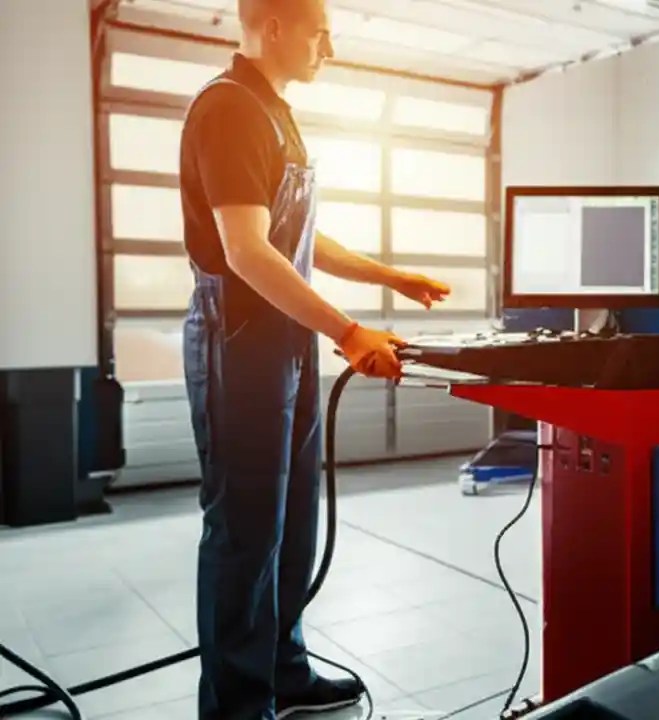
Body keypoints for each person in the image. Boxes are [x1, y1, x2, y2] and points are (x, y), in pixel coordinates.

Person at [178, 0, 450, 717]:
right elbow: (247, 252)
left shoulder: (274, 112)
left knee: (293, 521)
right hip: (237, 343)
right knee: (245, 531)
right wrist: (350, 332)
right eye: (319, 32)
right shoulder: (229, 109)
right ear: (273, 27)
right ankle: (238, 708)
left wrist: (389, 276)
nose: (328, 47)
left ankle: (285, 671)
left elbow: (300, 236)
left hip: (284, 341)